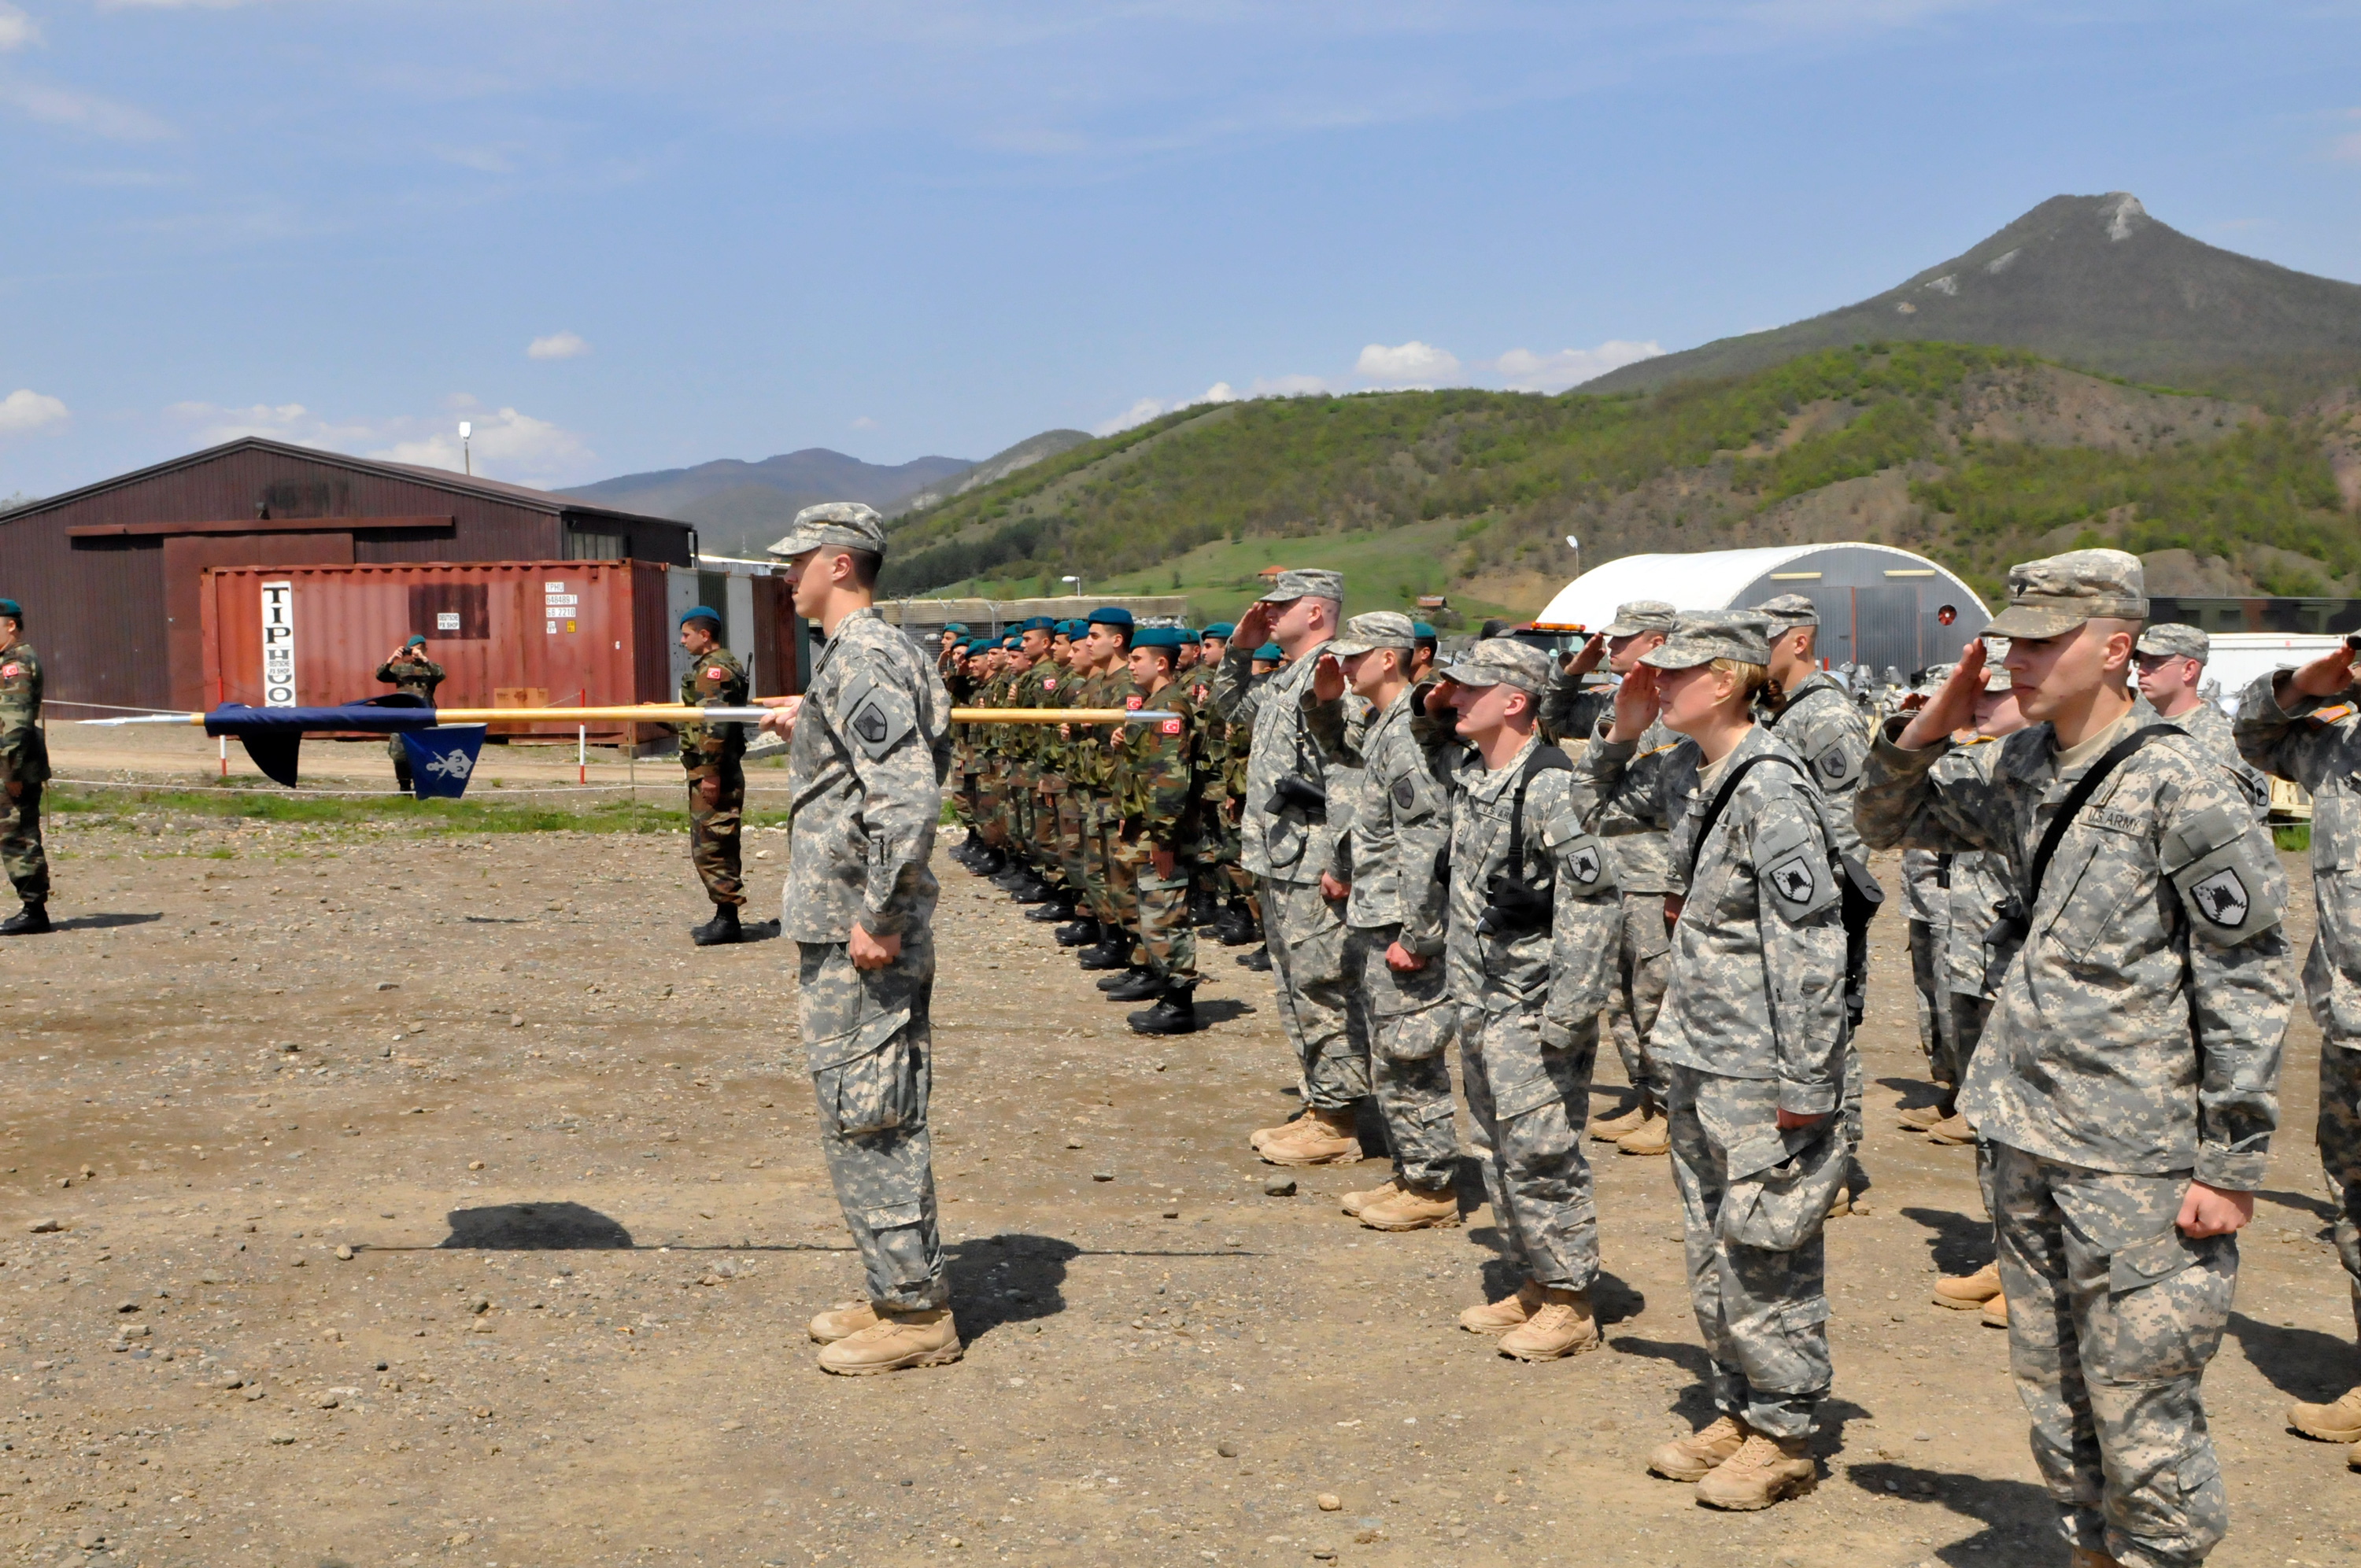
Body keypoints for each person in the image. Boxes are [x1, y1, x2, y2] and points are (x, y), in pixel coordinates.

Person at [1860, 549, 2292, 1567]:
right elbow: (1883, 818)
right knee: (2057, 1396)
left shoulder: (2185, 783)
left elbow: (2246, 982)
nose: (2017, 656)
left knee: (2143, 1406)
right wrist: (1934, 719)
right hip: (2028, 1131)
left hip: (2137, 1152)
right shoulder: (2022, 765)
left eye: (2044, 639)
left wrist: (2229, 1162)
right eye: (2010, 637)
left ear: (2115, 645)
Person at [1584, 611, 1850, 1509]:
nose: (1656, 683)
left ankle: (1784, 1432)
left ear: (1730, 679)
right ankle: (1738, 1403)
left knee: (1766, 1246)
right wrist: (1621, 725)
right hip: (1700, 1051)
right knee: (1711, 1244)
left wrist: (1810, 1082)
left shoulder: (1771, 787)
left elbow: (1810, 944)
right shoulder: (1691, 773)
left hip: (1761, 1066)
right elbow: (1595, 803)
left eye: (1674, 672)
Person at [756, 501, 960, 1376]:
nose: (785, 578)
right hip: (846, 921)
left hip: (860, 930)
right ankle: (893, 1285)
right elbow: (878, 754)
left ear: (837, 563)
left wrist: (879, 915)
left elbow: (907, 796)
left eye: (795, 562)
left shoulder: (866, 654)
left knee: (871, 1111)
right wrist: (808, 718)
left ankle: (916, 1314)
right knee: (861, 1106)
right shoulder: (869, 654)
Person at [1442, 638, 1625, 1360]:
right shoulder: (1474, 775)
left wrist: (1569, 1014)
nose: (1454, 698)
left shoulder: (1550, 785)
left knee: (1542, 1149)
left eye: (1470, 689)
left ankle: (1572, 1297)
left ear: (1514, 701)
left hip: (1534, 1002)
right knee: (1496, 1147)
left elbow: (1593, 901)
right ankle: (1534, 1280)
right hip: (1480, 998)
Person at [2234, 637, 2361, 1464]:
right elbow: (2253, 739)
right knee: (2354, 1205)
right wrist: (2302, 684)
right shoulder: (2336, 748)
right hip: (2351, 1022)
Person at [1304, 613, 1461, 1221]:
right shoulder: (1382, 724)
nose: (1344, 666)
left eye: (1355, 655)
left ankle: (1431, 1186)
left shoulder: (1409, 733)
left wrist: (1419, 934)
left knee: (1410, 1052)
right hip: (1378, 911)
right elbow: (1357, 803)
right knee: (1390, 1051)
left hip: (1402, 922)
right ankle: (1410, 1172)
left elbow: (1424, 838)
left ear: (1389, 658)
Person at [1216, 572, 1366, 1164]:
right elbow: (1230, 708)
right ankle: (1320, 1101)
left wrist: (1342, 858)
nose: (1268, 611)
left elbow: (1350, 775)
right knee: (1294, 987)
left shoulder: (1335, 678)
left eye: (1281, 606)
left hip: (1314, 862)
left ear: (1316, 610)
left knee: (1322, 987)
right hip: (1281, 860)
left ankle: (1338, 1119)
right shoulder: (1285, 677)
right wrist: (1240, 649)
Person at [1757, 593, 1879, 1208]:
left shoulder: (1826, 713)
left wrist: (1824, 900)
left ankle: (1838, 1165)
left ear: (1799, 640)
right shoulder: (1782, 710)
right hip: (1790, 898)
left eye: (1768, 637)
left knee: (1829, 1027)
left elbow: (1850, 815)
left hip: (1822, 898)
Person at [1551, 600, 1681, 1157]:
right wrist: (1574, 669)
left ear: (1655, 641)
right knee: (1620, 998)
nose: (1610, 647)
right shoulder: (1617, 699)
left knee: (1655, 993)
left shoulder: (1675, 707)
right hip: (1611, 870)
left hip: (1653, 872)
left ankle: (1676, 1109)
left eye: (1621, 640)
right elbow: (1552, 717)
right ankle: (1647, 1096)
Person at [1113, 627, 1205, 1034]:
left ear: (1161, 663)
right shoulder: (1153, 705)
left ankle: (1179, 1003)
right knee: (1154, 914)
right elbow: (1145, 766)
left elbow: (1170, 780)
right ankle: (1167, 991)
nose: (1130, 665)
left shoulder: (1169, 709)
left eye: (1137, 659)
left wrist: (1163, 839)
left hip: (1161, 831)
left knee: (1166, 915)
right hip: (1147, 826)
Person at [676, 607, 751, 946]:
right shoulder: (722, 664)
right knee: (718, 840)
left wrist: (709, 772)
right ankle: (726, 915)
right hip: (717, 765)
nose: (682, 641)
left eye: (686, 634)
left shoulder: (713, 669)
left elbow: (715, 723)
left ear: (704, 636)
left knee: (710, 845)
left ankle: (727, 920)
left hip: (715, 768)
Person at [2136, 623, 2267, 815]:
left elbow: (2254, 819)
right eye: (2140, 661)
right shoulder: (2129, 730)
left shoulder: (2228, 743)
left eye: (2154, 662)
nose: (2141, 670)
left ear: (2188, 670)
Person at [0, 600, 50, 935]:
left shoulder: (16, 663)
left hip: (14, 767)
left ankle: (34, 910)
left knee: (17, 833)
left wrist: (10, 772)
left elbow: (15, 723)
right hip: (12, 764)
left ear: (10, 625)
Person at [374, 635, 445, 794]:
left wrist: (424, 659)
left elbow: (440, 675)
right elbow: (381, 676)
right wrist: (392, 659)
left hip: (423, 717)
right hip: (402, 717)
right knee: (399, 754)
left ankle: (424, 786)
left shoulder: (431, 668)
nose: (416, 652)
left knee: (424, 753)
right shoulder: (400, 668)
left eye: (420, 648)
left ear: (425, 649)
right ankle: (404, 787)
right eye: (413, 649)